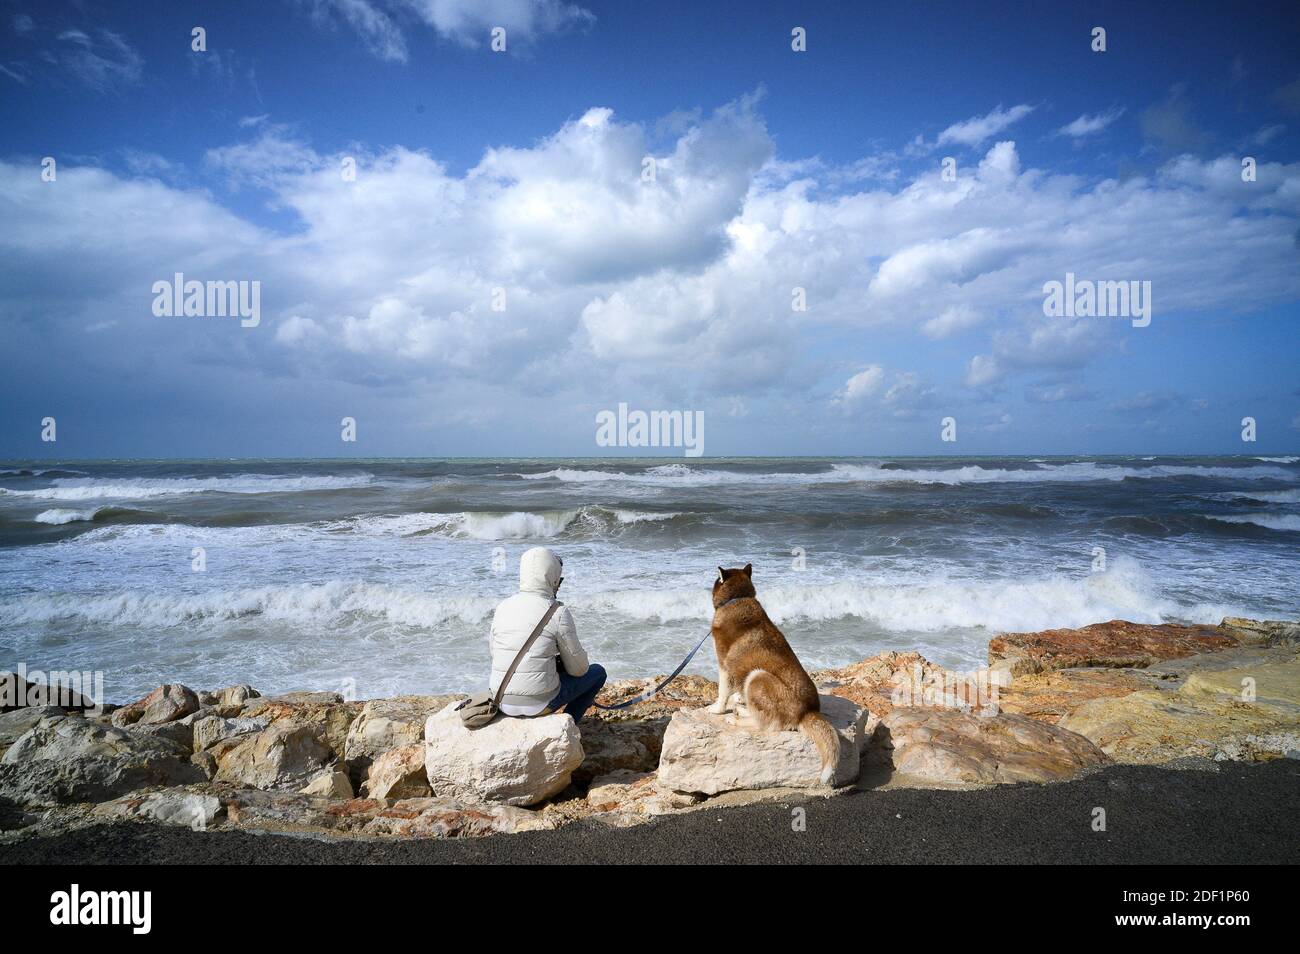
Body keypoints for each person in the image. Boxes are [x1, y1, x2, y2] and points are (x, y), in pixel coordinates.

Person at [489, 546, 606, 723]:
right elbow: (579, 669)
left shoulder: (502, 607)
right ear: (552, 579)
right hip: (538, 704)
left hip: (501, 700)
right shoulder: (557, 611)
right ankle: (570, 723)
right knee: (597, 672)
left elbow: (494, 653)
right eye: (559, 580)